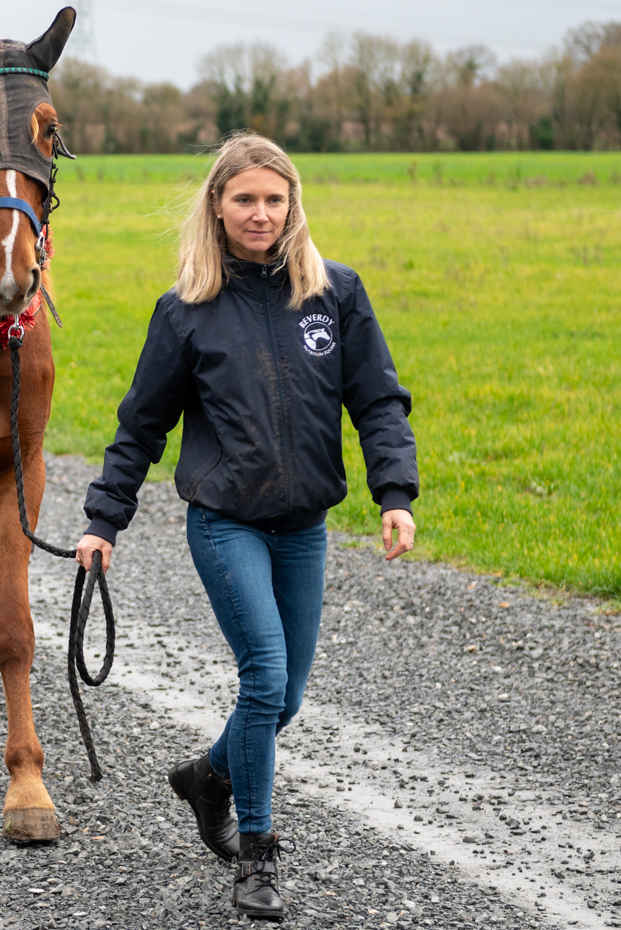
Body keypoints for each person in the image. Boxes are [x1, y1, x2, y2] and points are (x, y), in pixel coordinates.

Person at [75, 134, 418, 922]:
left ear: (293, 205)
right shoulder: (185, 312)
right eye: (244, 200)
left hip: (304, 527)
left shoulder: (335, 294)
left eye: (274, 199)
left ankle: (207, 777)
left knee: (286, 697)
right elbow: (142, 426)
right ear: (217, 207)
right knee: (264, 677)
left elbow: (378, 401)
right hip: (226, 523)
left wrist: (393, 492)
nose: (261, 214)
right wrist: (103, 518)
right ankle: (257, 857)